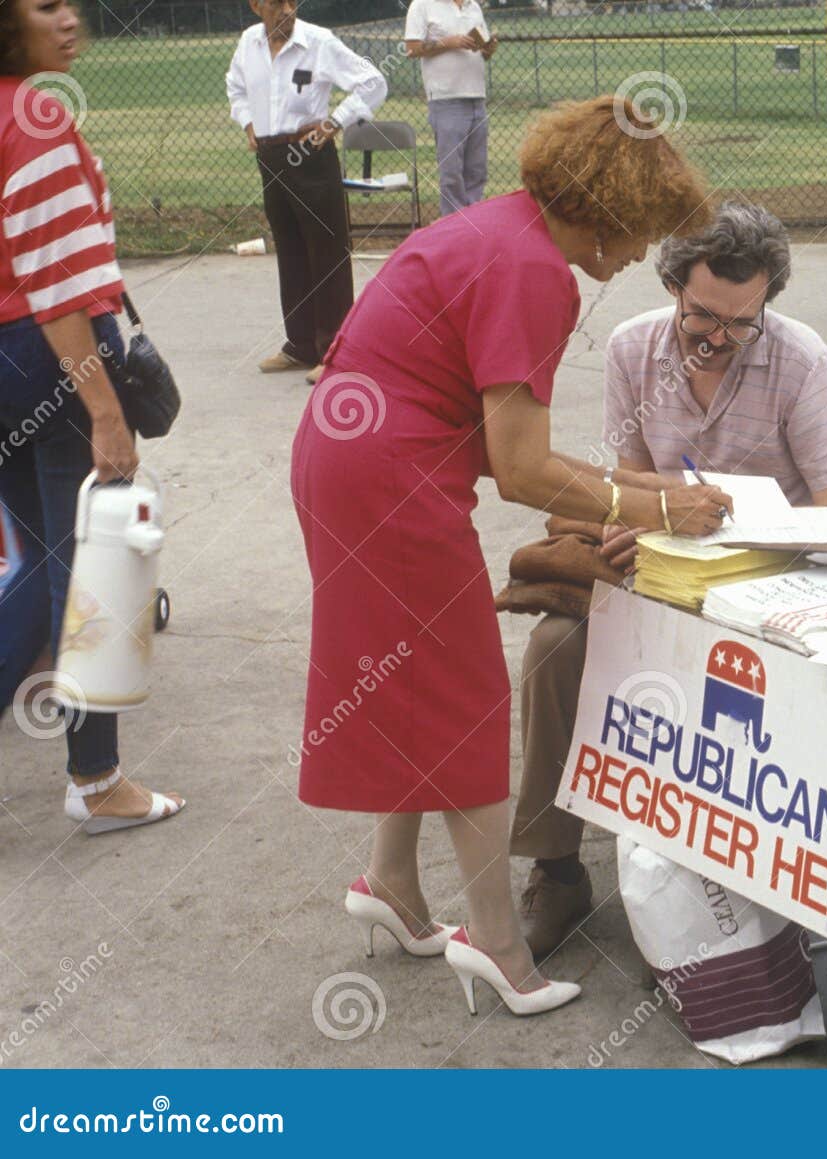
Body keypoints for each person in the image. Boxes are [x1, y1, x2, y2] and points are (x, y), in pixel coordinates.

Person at [290, 94, 731, 1017]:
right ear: (611, 211)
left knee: (414, 680)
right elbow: (521, 470)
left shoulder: (498, 229)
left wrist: (659, 501)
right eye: (643, 229)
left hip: (348, 457)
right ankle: (495, 941)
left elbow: (512, 455)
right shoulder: (540, 271)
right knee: (464, 702)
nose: (640, 252)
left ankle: (392, 881)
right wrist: (648, 504)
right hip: (391, 488)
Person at [512, 201, 827, 957]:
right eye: (703, 317)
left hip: (776, 589)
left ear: (767, 301)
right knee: (554, 648)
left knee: (746, 683)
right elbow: (629, 479)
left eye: (744, 324)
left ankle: (741, 896)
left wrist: (736, 535)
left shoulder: (804, 362)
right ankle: (556, 866)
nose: (719, 340)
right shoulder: (631, 348)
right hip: (662, 574)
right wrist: (628, 522)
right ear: (674, 284)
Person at [1, 0, 184, 834]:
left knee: (39, 560)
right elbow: (55, 287)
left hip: (11, 362)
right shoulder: (35, 121)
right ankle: (97, 779)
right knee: (84, 569)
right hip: (47, 358)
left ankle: (87, 758)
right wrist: (104, 410)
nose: (70, 20)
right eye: (46, 7)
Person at [226, 0, 386, 385]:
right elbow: (236, 87)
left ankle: (334, 352)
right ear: (255, 6)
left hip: (310, 153)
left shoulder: (319, 42)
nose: (285, 9)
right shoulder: (249, 43)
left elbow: (373, 82)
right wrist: (247, 122)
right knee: (291, 248)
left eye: (291, 1)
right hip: (270, 155)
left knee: (326, 251)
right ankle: (299, 345)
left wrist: (336, 121)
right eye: (275, 2)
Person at [404, 0, 496, 218]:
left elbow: (484, 52)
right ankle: (454, 227)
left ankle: (473, 224)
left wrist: (488, 48)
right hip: (446, 99)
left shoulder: (473, 6)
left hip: (476, 96)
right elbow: (411, 48)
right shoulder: (422, 5)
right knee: (452, 173)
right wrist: (449, 42)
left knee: (477, 171)